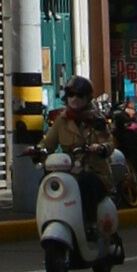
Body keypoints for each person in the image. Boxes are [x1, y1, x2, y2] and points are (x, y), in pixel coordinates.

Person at [44, 75, 120, 230]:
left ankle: (90, 224)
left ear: (87, 98)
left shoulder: (97, 120)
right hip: (70, 172)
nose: (75, 99)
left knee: (87, 184)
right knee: (48, 182)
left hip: (96, 173)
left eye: (80, 95)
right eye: (71, 95)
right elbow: (48, 143)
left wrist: (101, 148)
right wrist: (37, 150)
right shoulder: (61, 120)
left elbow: (109, 142)